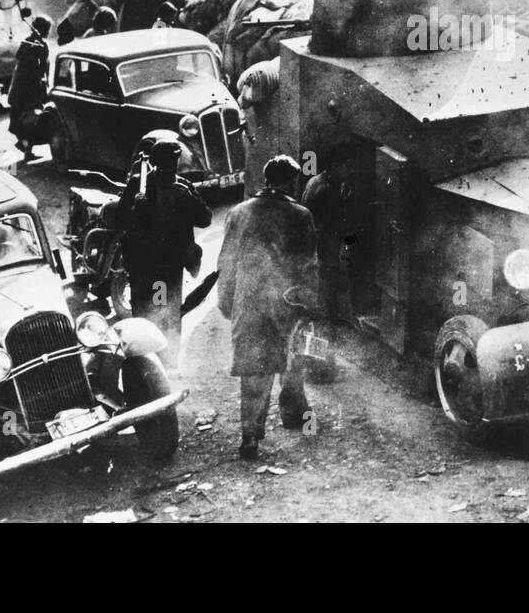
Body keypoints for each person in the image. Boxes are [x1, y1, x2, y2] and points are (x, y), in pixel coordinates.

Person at [217, 155, 319, 460]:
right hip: (286, 303)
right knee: (293, 359)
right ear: (291, 181)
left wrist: (226, 300)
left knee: (253, 370)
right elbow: (309, 265)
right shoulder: (300, 215)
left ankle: (250, 436)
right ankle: (293, 413)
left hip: (248, 302)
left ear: (266, 180)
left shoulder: (239, 213)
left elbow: (226, 262)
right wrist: (310, 303)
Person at [113, 134, 211, 372]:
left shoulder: (183, 188)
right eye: (169, 162)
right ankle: (148, 365)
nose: (172, 167)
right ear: (159, 164)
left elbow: (205, 219)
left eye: (173, 162)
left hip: (166, 268)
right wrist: (136, 206)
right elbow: (120, 220)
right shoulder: (140, 184)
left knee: (164, 317)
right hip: (148, 268)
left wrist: (187, 198)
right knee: (154, 318)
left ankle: (167, 366)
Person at [301, 141, 358, 321]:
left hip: (319, 248)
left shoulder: (317, 181)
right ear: (335, 166)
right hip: (327, 249)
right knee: (329, 292)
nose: (352, 171)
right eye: (347, 167)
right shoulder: (326, 191)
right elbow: (339, 226)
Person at [7, 16, 52, 159]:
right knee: (31, 120)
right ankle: (27, 149)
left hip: (21, 86)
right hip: (30, 88)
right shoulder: (40, 45)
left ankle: (25, 146)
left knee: (23, 118)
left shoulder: (27, 42)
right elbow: (40, 68)